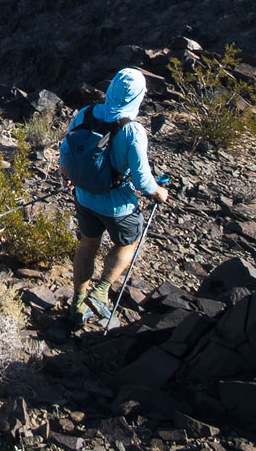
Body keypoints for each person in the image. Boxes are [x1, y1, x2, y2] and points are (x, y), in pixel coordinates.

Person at [58, 67, 168, 326]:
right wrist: (159, 192)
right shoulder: (132, 130)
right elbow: (142, 181)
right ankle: (101, 291)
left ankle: (77, 302)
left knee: (87, 246)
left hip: (84, 197)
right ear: (138, 96)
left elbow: (65, 151)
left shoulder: (85, 114)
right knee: (126, 244)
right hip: (117, 205)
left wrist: (67, 179)